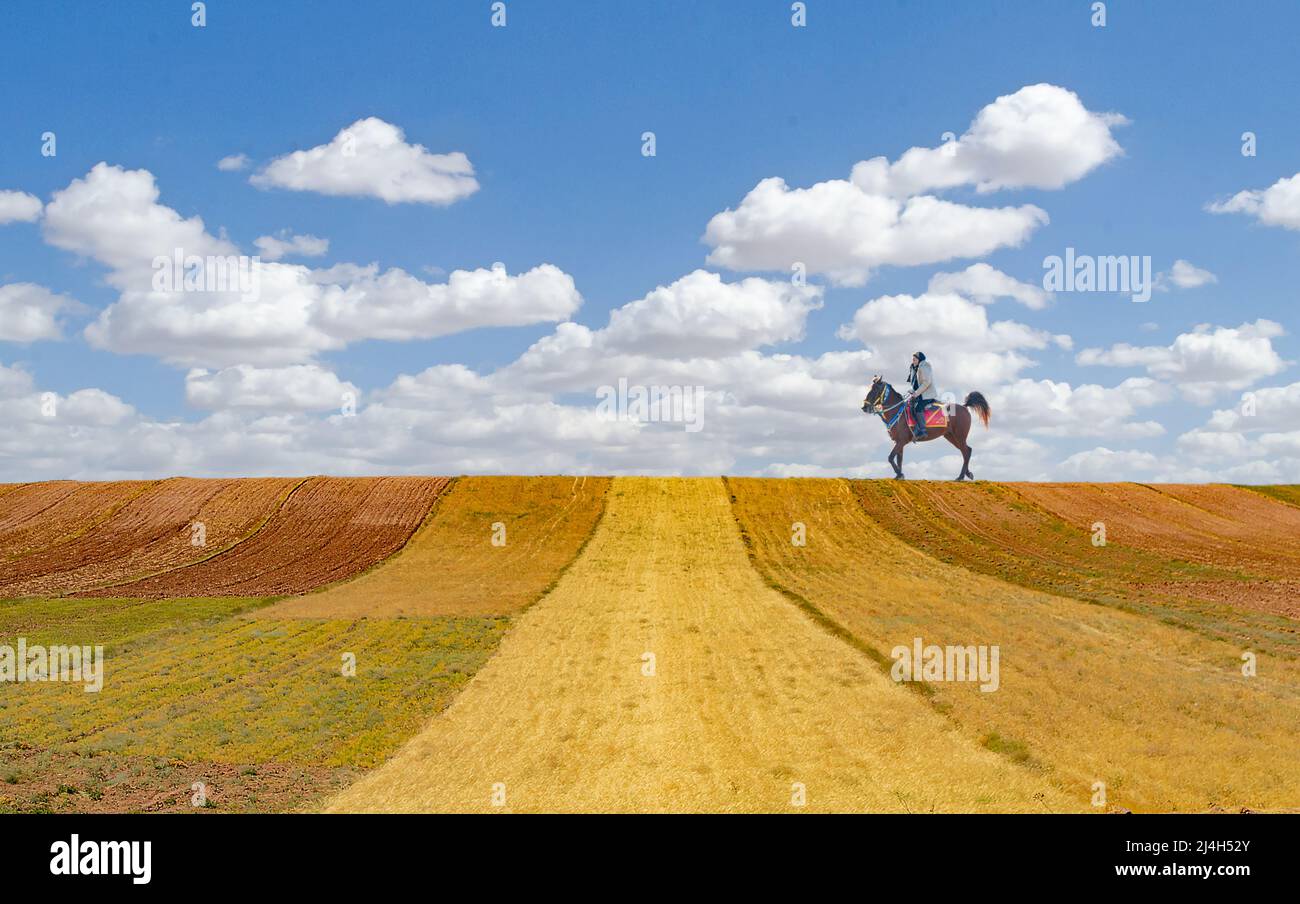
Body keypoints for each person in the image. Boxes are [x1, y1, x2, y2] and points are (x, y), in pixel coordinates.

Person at [906, 351, 934, 438]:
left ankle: (923, 430)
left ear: (919, 360)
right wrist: (912, 392)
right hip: (917, 394)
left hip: (926, 394)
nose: (913, 361)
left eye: (914, 359)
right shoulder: (914, 367)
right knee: (908, 406)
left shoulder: (924, 367)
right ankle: (916, 427)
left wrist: (916, 393)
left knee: (918, 408)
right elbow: (914, 384)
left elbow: (927, 382)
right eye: (912, 359)